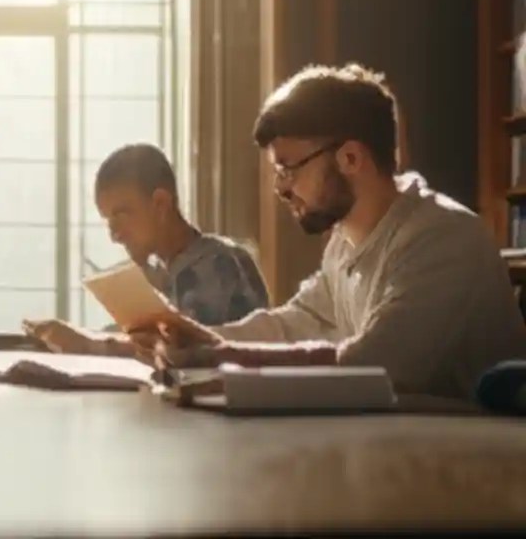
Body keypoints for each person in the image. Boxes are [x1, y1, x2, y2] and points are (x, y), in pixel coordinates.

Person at [153, 64, 526, 399]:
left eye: (288, 168)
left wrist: (221, 357)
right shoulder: (344, 243)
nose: (280, 189)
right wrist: (206, 341)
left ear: (350, 158)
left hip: (483, 461)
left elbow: (375, 364)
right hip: (411, 445)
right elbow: (293, 324)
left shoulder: (445, 237)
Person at [27, 144, 269, 354]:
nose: (114, 234)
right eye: (107, 220)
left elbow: (187, 351)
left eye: (121, 215)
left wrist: (89, 344)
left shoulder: (218, 265)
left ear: (160, 204)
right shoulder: (164, 274)